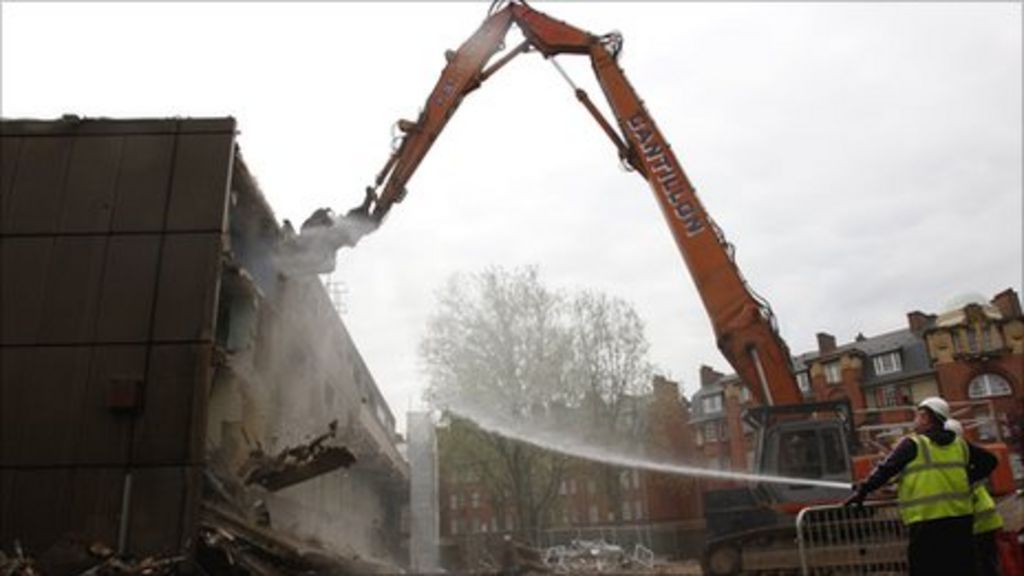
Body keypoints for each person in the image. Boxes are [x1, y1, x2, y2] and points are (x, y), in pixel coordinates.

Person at [843, 396, 998, 576]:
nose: (915, 420)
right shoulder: (960, 444)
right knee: (961, 569)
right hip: (960, 520)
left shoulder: (913, 443)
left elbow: (885, 470)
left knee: (924, 569)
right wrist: (967, 478)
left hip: (926, 522)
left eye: (918, 415)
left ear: (926, 417)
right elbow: (990, 461)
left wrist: (863, 491)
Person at [945, 418, 1004, 576]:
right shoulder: (965, 454)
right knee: (987, 564)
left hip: (975, 521)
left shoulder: (958, 452)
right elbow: (990, 461)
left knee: (981, 566)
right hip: (983, 519)